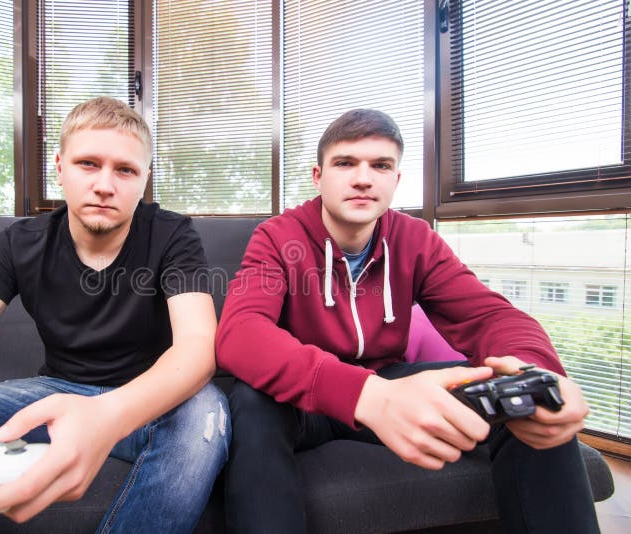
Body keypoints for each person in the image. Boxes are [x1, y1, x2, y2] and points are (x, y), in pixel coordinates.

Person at [0, 96, 230, 533]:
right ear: (60, 166)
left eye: (125, 170)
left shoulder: (173, 235)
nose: (105, 184)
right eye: (88, 163)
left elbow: (197, 347)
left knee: (207, 416)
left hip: (148, 401)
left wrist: (107, 414)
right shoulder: (18, 244)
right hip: (53, 392)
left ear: (144, 179)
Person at [216, 109, 599, 533]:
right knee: (251, 404)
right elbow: (241, 333)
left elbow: (490, 314)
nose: (363, 178)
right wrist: (367, 395)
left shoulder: (415, 240)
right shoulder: (278, 236)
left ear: (396, 180)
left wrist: (534, 370)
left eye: (380, 165)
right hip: (306, 401)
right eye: (345, 163)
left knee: (526, 396)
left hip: (395, 382)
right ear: (317, 176)